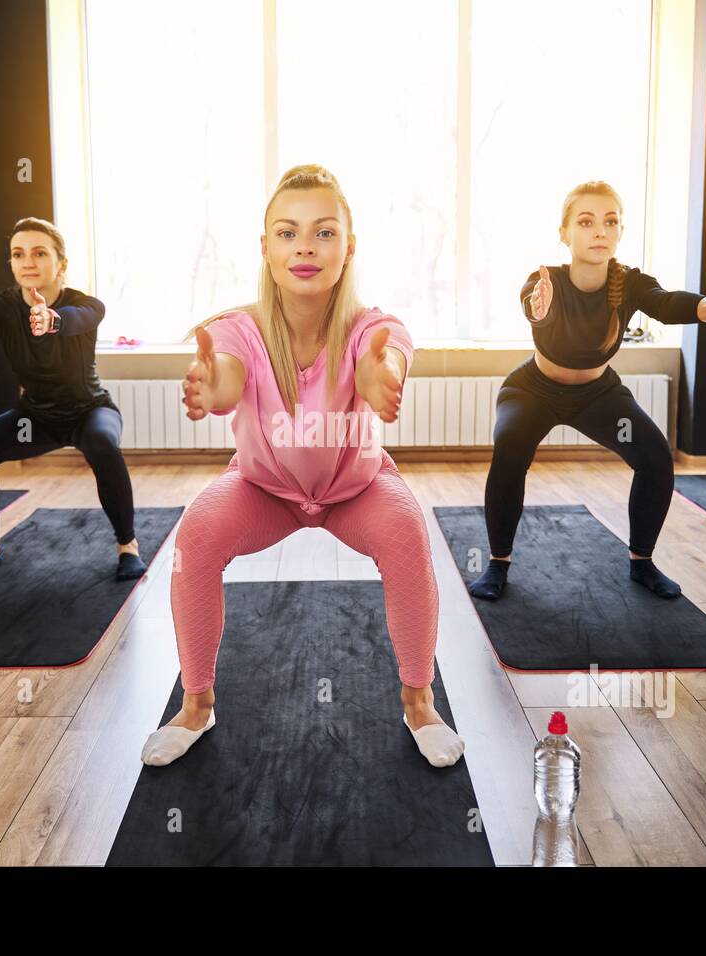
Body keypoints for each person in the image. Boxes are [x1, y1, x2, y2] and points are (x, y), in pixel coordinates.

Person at [140, 164, 465, 769]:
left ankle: (418, 701)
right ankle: (196, 704)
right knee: (198, 535)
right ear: (266, 249)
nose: (305, 248)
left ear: (348, 246)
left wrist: (378, 377)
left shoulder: (376, 328)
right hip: (265, 489)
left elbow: (386, 361)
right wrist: (211, 390)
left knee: (406, 532)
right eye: (288, 234)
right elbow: (229, 377)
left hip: (356, 490)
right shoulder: (235, 329)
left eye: (323, 232)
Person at [468, 180, 706, 602]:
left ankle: (642, 561)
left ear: (620, 231)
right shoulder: (545, 280)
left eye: (610, 221)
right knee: (510, 444)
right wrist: (539, 308)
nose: (599, 230)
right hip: (534, 389)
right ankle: (497, 563)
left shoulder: (630, 282)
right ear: (564, 232)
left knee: (656, 457)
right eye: (585, 222)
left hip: (597, 396)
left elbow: (665, 302)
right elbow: (536, 307)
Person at [0, 217, 145, 582]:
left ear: (61, 264)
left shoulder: (87, 305)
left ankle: (128, 547)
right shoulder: (4, 305)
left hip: (89, 410)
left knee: (101, 443)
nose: (27, 262)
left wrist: (50, 321)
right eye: (18, 254)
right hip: (36, 417)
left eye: (39, 253)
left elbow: (77, 319)